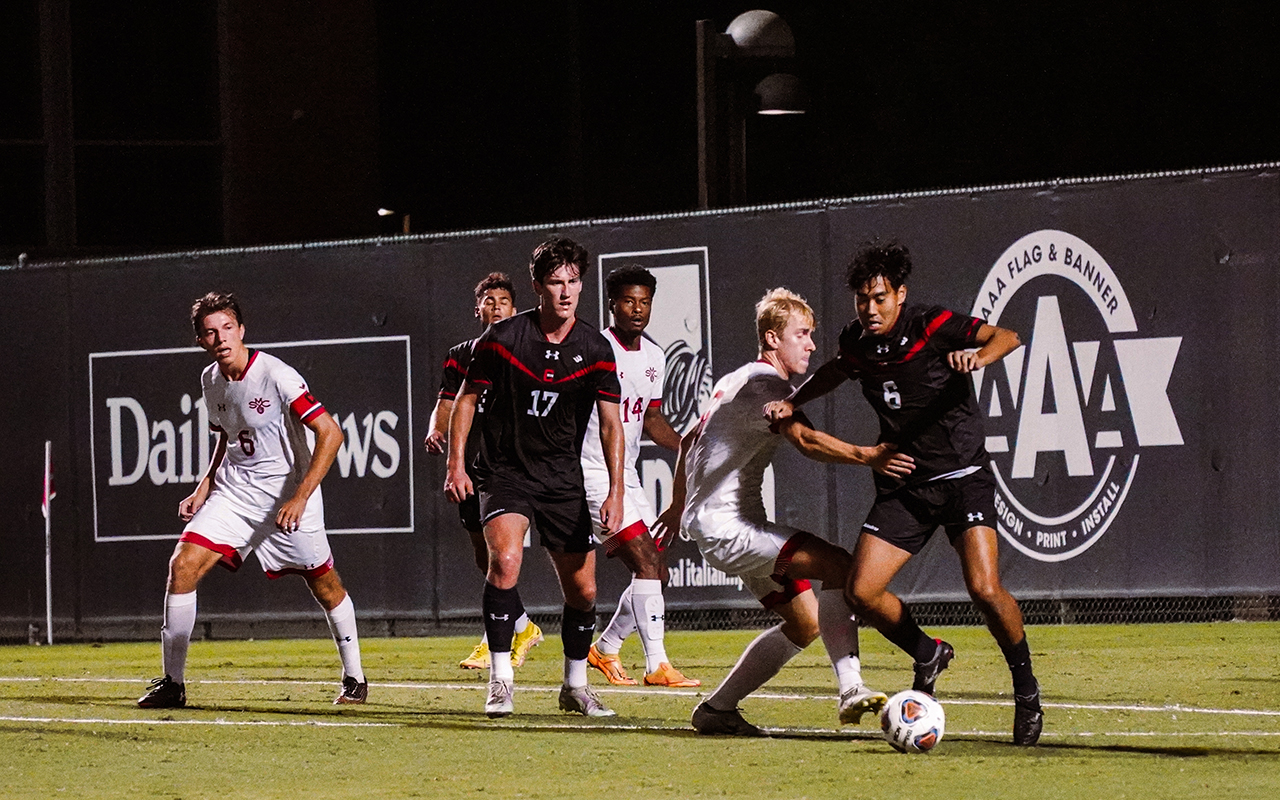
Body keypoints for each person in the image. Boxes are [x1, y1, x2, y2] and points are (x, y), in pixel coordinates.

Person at [764, 240, 1044, 746]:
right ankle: (927, 653)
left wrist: (978, 357)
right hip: (904, 484)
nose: (870, 309)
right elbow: (834, 371)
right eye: (862, 299)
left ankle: (1026, 691)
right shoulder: (857, 341)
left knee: (984, 590)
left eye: (880, 298)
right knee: (861, 592)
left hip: (962, 477)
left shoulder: (931, 324)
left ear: (900, 294)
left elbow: (1008, 336)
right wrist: (793, 400)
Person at [654, 288, 914, 736]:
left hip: (721, 526)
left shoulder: (736, 379)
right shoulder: (766, 387)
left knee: (805, 622)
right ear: (773, 339)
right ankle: (851, 688)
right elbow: (807, 441)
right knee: (839, 567)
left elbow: (689, 441)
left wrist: (680, 505)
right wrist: (869, 456)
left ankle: (717, 710)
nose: (811, 345)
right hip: (730, 529)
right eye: (802, 334)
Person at [138, 292, 367, 709]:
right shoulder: (210, 379)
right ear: (200, 340)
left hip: (287, 497)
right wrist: (206, 483)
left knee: (325, 584)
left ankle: (355, 677)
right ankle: (173, 683)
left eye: (227, 328)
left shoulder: (277, 375)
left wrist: (300, 497)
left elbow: (331, 433)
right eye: (210, 332)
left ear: (242, 330)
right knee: (182, 566)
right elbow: (227, 435)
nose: (220, 337)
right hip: (236, 493)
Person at [444, 237, 625, 718]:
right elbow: (465, 400)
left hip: (562, 478)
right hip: (506, 472)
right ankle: (501, 679)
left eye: (573, 281)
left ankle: (575, 686)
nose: (565, 291)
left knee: (584, 592)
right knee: (505, 561)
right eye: (555, 281)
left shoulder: (596, 348)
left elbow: (611, 425)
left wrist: (617, 491)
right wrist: (456, 464)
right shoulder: (502, 339)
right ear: (537, 286)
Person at [581, 265, 699, 689]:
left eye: (644, 302)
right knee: (647, 562)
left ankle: (607, 647)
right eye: (628, 301)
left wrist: (686, 444)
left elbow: (650, 419)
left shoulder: (654, 355)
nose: (637, 309)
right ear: (612, 304)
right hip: (591, 472)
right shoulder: (594, 350)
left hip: (625, 475)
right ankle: (657, 665)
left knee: (656, 572)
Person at [424, 273, 544, 671]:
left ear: (515, 309)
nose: (496, 307)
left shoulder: (531, 352)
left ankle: (500, 637)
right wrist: (436, 430)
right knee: (486, 558)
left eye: (503, 301)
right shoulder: (460, 355)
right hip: (475, 467)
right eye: (489, 301)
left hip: (517, 469)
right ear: (477, 310)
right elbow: (448, 402)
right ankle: (521, 625)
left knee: (504, 555)